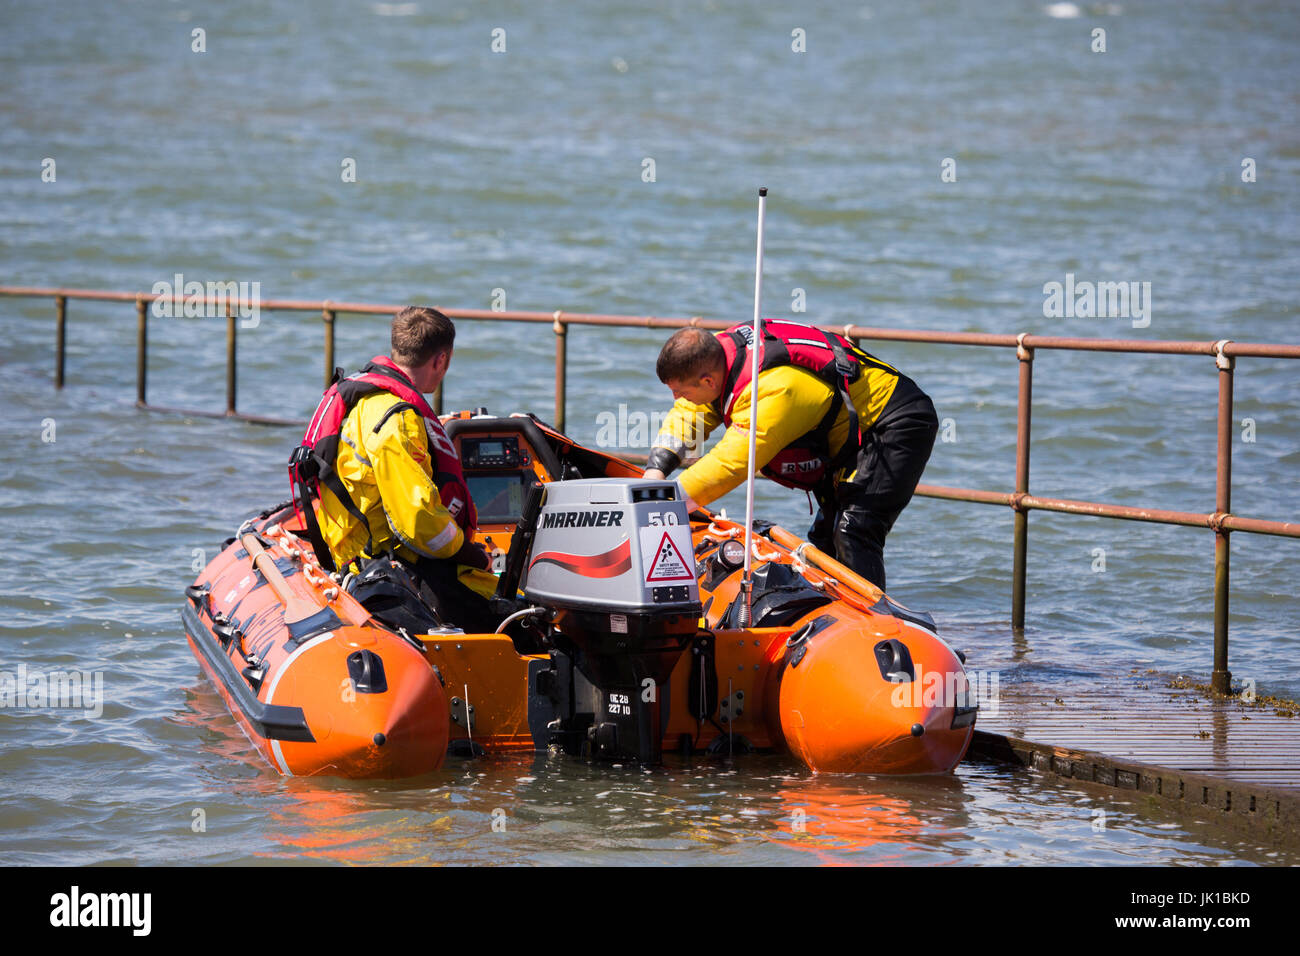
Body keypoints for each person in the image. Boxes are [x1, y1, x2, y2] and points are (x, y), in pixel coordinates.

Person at [643, 322, 937, 592]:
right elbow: (692, 411)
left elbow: (731, 463)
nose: (676, 399)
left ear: (707, 381)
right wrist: (656, 468)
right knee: (825, 536)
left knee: (854, 530)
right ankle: (834, 618)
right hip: (849, 434)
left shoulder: (775, 390)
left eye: (678, 392)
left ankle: (879, 628)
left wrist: (659, 506)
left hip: (895, 423)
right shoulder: (717, 357)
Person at [296, 306, 497, 632]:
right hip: (391, 568)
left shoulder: (365, 401)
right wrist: (472, 555)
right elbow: (417, 520)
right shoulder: (398, 419)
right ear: (441, 360)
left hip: (358, 557)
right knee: (519, 624)